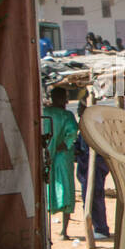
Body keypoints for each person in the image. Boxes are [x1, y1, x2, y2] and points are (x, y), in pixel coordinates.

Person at [43, 87, 78, 240]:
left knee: (46, 191)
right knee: (66, 191)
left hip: (47, 156)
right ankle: (64, 231)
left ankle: (47, 233)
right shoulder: (67, 116)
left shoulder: (45, 112)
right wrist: (62, 145)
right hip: (63, 158)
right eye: (65, 98)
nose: (67, 101)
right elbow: (71, 135)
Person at [74, 101, 110, 239]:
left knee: (95, 196)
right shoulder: (83, 127)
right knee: (89, 197)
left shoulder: (93, 126)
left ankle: (101, 228)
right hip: (86, 166)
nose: (78, 111)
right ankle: (97, 226)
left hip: (95, 165)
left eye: (81, 108)